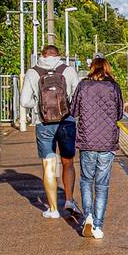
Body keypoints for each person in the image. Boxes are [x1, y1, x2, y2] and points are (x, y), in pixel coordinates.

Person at [20, 45, 80, 219]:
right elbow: (77, 97)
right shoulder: (68, 70)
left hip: (43, 123)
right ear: (58, 56)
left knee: (49, 165)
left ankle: (53, 209)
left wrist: (39, 105)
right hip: (66, 122)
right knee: (68, 162)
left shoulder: (33, 72)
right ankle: (69, 200)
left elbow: (24, 101)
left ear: (42, 55)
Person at [73, 56, 125, 240]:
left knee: (86, 180)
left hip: (87, 140)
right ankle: (97, 226)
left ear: (92, 68)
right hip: (107, 142)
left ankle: (87, 216)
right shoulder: (114, 87)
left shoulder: (83, 85)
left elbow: (73, 111)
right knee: (102, 185)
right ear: (107, 69)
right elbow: (120, 114)